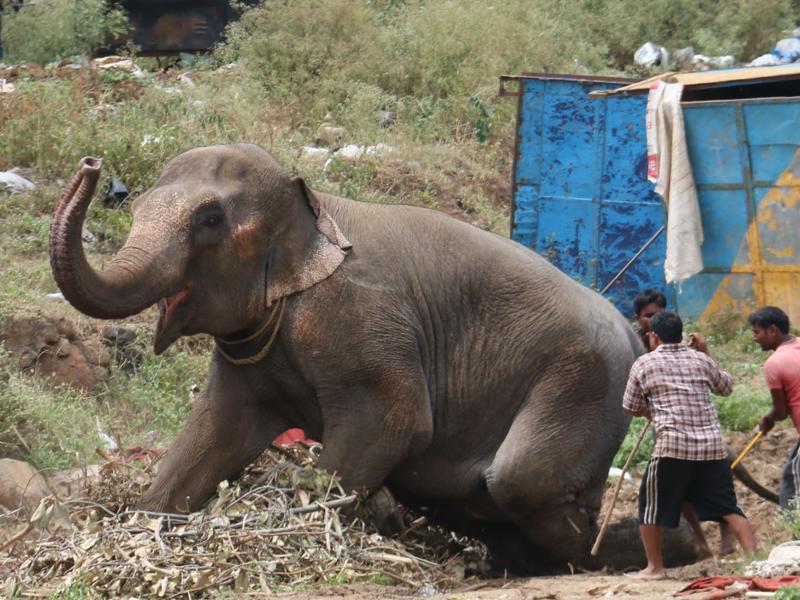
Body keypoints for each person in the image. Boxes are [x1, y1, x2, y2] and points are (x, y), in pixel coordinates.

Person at [623, 311, 756, 579]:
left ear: (654, 336)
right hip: (711, 448)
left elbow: (631, 406)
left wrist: (652, 412)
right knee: (730, 508)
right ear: (681, 335)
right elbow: (725, 387)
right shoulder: (699, 359)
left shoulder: (643, 364)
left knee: (649, 507)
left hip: (672, 447)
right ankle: (757, 562)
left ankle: (654, 568)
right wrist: (707, 352)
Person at [632, 289, 737, 557]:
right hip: (666, 428)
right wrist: (650, 413)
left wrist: (706, 352)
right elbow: (635, 399)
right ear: (639, 320)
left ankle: (727, 532)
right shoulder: (638, 351)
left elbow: (716, 382)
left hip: (694, 424)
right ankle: (699, 539)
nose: (653, 320)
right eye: (648, 316)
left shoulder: (684, 346)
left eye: (658, 314)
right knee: (679, 490)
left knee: (714, 485)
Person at [749, 306, 800, 509]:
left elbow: (781, 411)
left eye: (757, 332)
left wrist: (767, 419)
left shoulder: (774, 363)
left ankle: (795, 536)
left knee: (791, 488)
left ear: (772, 330)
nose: (755, 338)